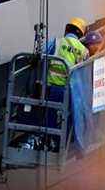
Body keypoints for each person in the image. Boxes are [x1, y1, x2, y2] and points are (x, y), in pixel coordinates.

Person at [43, 17, 91, 146]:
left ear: (66, 29)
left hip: (54, 86)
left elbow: (41, 53)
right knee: (72, 113)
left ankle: (51, 139)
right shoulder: (84, 50)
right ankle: (66, 140)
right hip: (72, 89)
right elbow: (85, 72)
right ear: (81, 34)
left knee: (50, 111)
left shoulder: (56, 42)